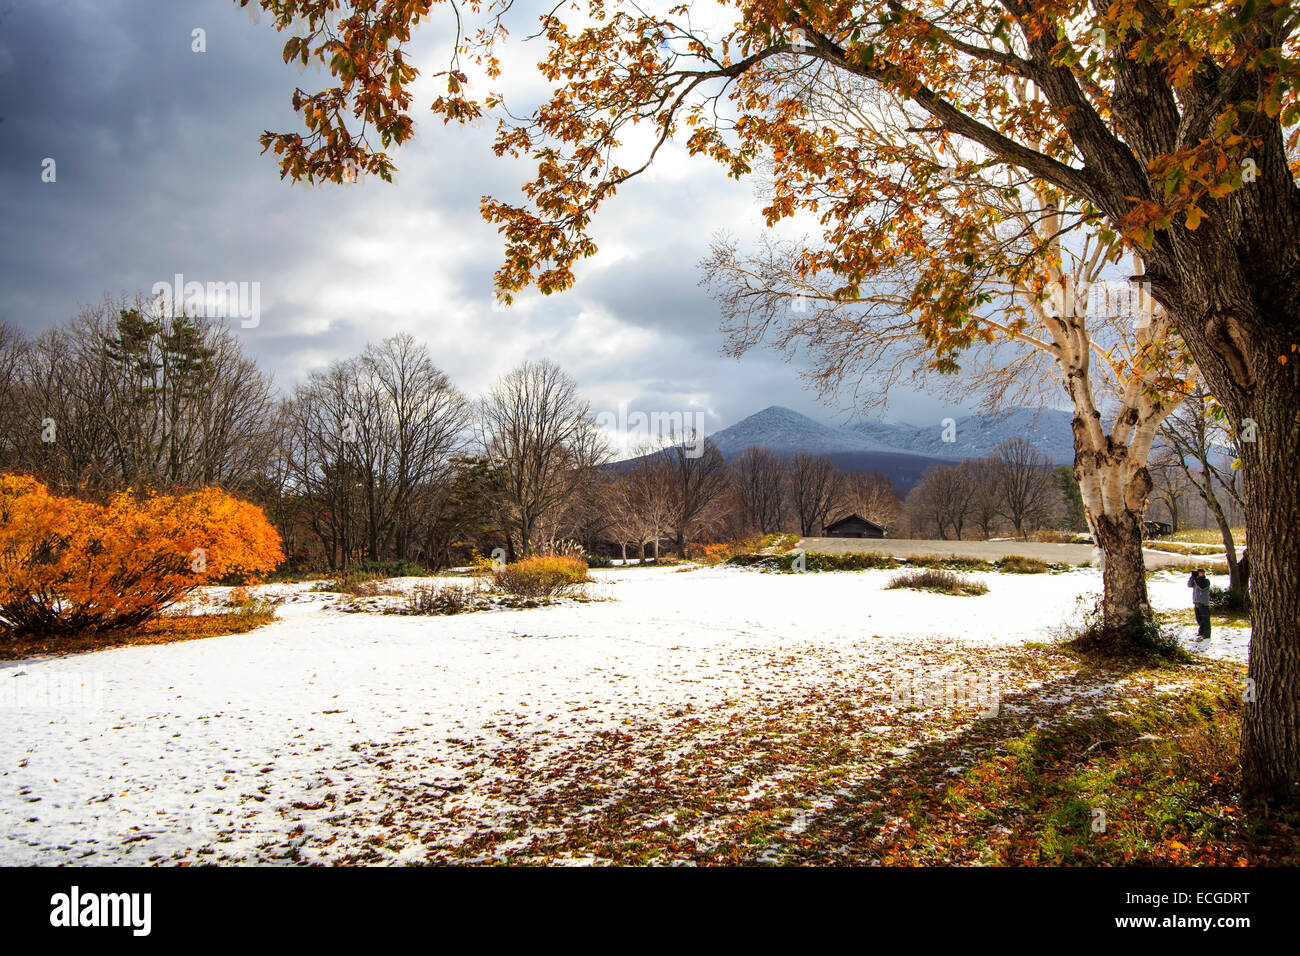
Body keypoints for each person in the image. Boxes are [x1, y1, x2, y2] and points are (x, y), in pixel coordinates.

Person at [1188, 567, 1212, 639]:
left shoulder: (1206, 581)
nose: (1199, 574)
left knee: (1205, 619)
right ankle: (1201, 632)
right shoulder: (1196, 580)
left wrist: (1197, 579)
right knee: (1199, 619)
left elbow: (1201, 587)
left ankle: (1207, 634)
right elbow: (1189, 585)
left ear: (1203, 573)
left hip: (1204, 603)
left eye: (1200, 572)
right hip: (1196, 602)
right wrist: (1192, 577)